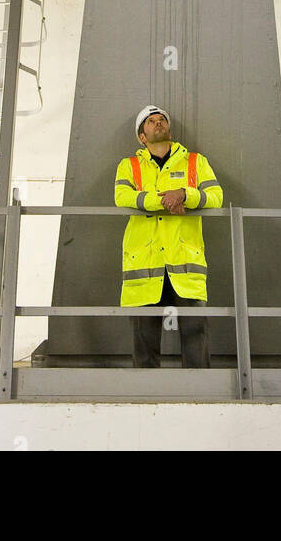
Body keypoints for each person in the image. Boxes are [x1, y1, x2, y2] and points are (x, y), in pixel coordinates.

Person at [113, 105, 223, 368]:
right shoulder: (128, 166)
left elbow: (216, 197)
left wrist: (185, 194)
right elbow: (122, 197)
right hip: (145, 267)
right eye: (150, 122)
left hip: (185, 266)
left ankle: (200, 393)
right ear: (142, 136)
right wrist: (163, 201)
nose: (158, 123)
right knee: (144, 344)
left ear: (169, 129)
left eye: (161, 120)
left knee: (196, 337)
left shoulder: (196, 162)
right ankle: (147, 398)